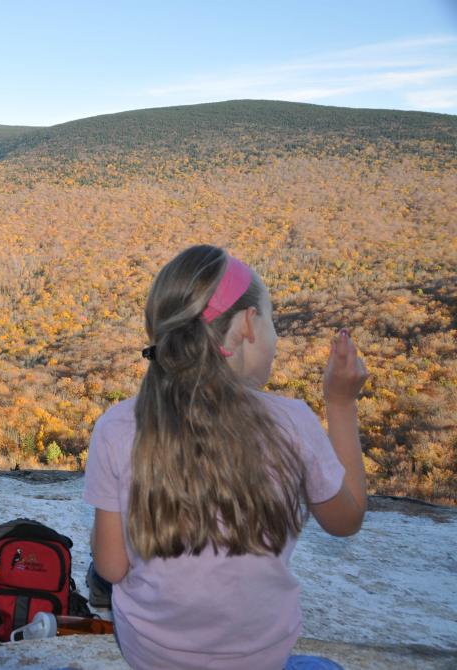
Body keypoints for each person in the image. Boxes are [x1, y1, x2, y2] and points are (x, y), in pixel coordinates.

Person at [84, 245, 368, 670]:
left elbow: (110, 566)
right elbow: (346, 520)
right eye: (271, 320)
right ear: (249, 324)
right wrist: (341, 403)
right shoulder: (290, 422)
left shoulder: (117, 427)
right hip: (258, 660)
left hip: (152, 656)